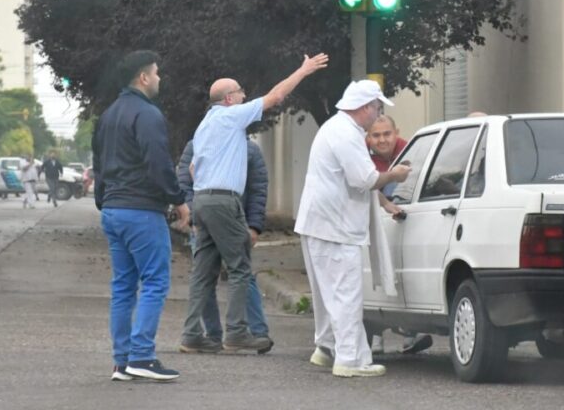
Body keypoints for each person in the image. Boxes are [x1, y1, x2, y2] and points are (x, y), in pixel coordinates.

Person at [180, 52, 329, 354]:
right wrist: (303, 71)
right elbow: (275, 96)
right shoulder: (231, 116)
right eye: (240, 92)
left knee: (203, 273)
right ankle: (236, 332)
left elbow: (193, 168)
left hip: (202, 201)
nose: (244, 95)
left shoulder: (204, 126)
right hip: (224, 201)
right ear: (229, 99)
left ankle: (192, 335)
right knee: (240, 267)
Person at [295, 80, 412, 378]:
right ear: (365, 107)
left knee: (327, 293)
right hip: (336, 226)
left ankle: (327, 348)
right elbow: (365, 179)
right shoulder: (346, 134)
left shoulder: (336, 128)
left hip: (321, 222)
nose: (379, 114)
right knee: (345, 294)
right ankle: (350, 360)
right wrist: (395, 175)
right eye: (377, 108)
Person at [92, 50, 190, 382]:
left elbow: (99, 164)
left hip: (114, 209)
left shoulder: (108, 115)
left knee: (123, 286)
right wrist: (178, 200)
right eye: (157, 73)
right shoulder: (147, 114)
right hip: (141, 210)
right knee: (155, 281)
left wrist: (104, 201)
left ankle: (122, 362)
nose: (160, 78)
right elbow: (158, 162)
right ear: (144, 77)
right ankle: (142, 357)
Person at [176, 133, 271, 354]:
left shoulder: (249, 149)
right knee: (234, 272)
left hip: (228, 219)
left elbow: (257, 189)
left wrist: (254, 226)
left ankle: (255, 332)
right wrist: (193, 216)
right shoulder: (196, 145)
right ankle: (221, 335)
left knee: (208, 275)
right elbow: (184, 183)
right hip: (219, 217)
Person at [364, 115, 434, 356]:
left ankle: (411, 333)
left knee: (406, 274)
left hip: (403, 216)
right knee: (375, 277)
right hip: (375, 219)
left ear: (397, 132)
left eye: (387, 134)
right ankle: (375, 336)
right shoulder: (360, 155)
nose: (382, 140)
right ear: (368, 138)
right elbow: (364, 186)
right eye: (376, 135)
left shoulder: (410, 151)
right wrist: (384, 203)